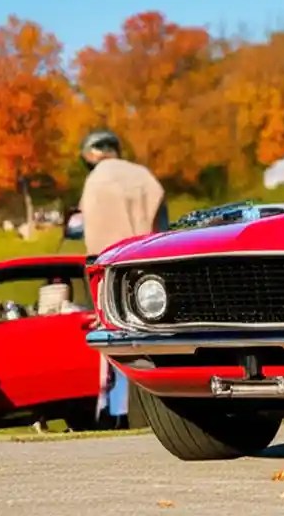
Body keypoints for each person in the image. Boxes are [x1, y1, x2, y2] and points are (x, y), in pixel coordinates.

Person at [77, 129, 167, 429]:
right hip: (151, 264)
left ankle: (118, 414)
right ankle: (155, 408)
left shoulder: (96, 182)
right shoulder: (143, 176)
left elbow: (94, 237)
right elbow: (162, 224)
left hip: (113, 267)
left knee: (115, 338)